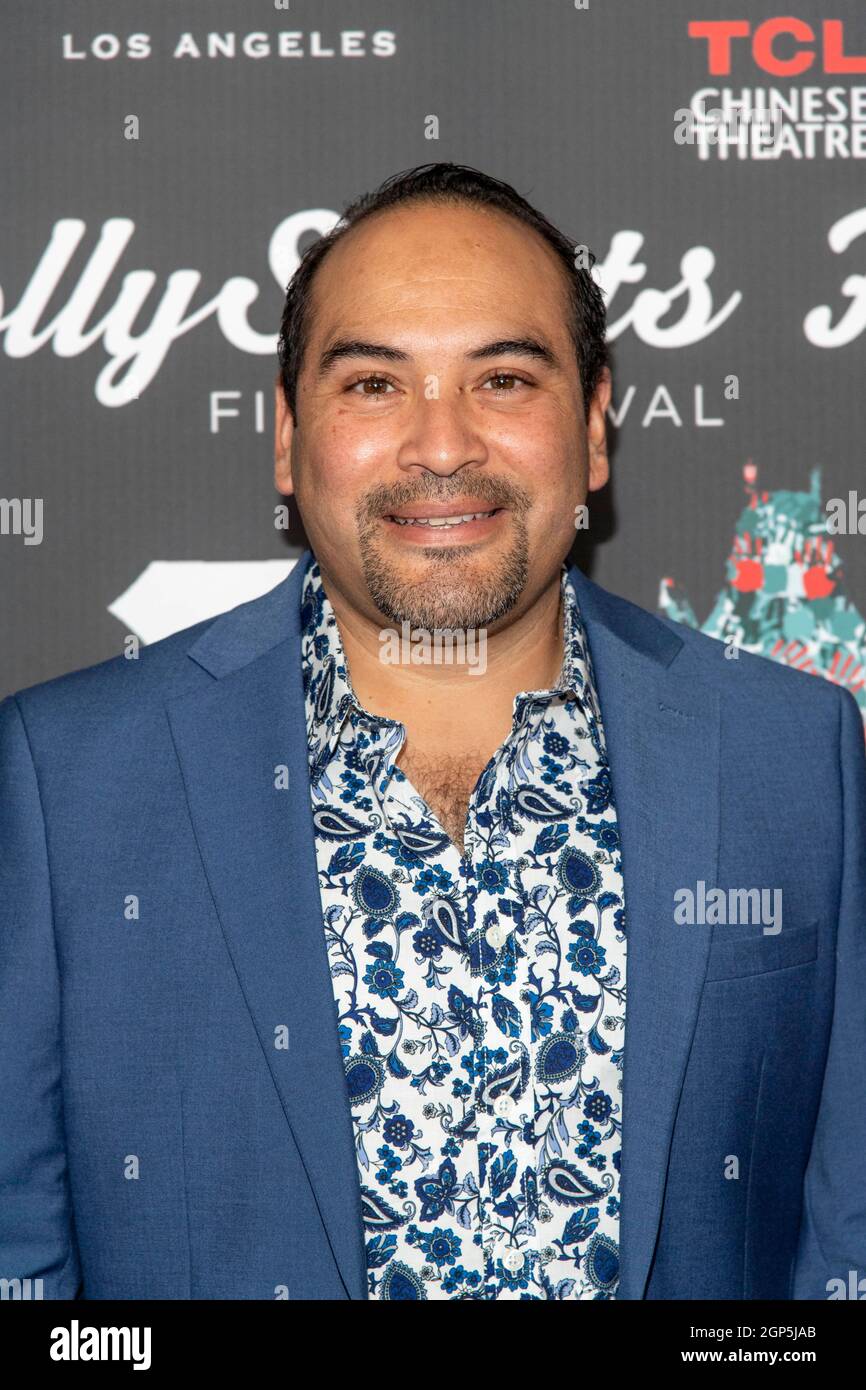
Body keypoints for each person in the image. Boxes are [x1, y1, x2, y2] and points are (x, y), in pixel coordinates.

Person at [1, 163, 864, 1301]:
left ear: (594, 432)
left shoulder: (788, 751)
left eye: (502, 378)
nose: (441, 445)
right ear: (286, 435)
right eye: (373, 385)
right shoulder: (71, 778)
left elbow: (840, 1235)